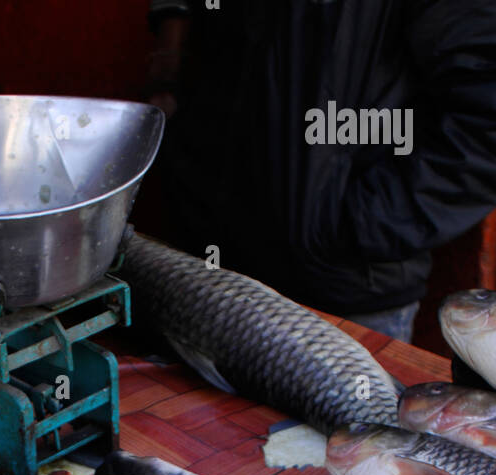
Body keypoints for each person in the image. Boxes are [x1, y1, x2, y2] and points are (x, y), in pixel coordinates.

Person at [145, 0, 496, 342]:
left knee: (352, 402)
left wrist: (360, 225)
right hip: (207, 263)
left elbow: (486, 116)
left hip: (340, 292)